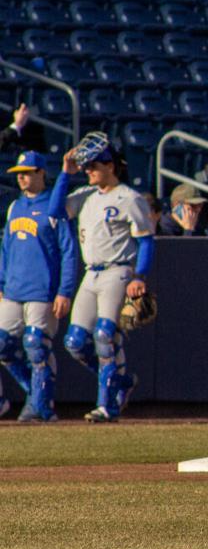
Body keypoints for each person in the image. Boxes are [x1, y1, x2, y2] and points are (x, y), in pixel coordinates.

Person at [61, 134, 152, 423]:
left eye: (93, 166)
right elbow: (54, 210)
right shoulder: (85, 196)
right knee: (75, 342)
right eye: (86, 166)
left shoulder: (129, 198)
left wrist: (140, 276)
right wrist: (65, 172)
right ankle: (121, 382)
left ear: (110, 165)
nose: (87, 171)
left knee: (104, 336)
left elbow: (147, 240)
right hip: (91, 273)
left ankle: (106, 405)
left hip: (118, 270)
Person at [0, 151, 78, 422]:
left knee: (36, 345)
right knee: (2, 345)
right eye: (18, 173)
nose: (21, 177)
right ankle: (30, 397)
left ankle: (41, 408)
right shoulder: (14, 207)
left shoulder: (55, 208)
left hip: (42, 290)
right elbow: (5, 249)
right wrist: (1, 282)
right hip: (13, 289)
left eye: (27, 171)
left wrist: (64, 291)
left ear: (41, 173)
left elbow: (68, 252)